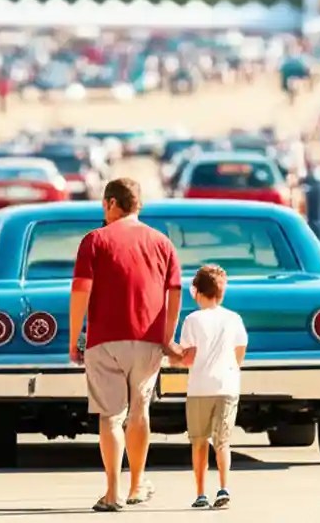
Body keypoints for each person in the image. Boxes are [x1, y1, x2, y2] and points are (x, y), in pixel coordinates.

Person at [68, 178, 182, 512]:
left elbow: (80, 291)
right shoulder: (162, 243)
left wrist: (75, 338)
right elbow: (174, 291)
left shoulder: (95, 240)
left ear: (111, 203)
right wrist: (166, 337)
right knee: (140, 411)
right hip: (147, 340)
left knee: (110, 415)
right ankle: (136, 485)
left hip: (104, 340)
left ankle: (113, 492)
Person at [171, 265, 247, 509]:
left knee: (199, 442)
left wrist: (173, 356)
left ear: (196, 291)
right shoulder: (233, 318)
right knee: (222, 441)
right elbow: (239, 352)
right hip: (226, 386)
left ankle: (201, 493)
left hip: (199, 387)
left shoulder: (192, 320)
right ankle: (224, 487)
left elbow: (189, 358)